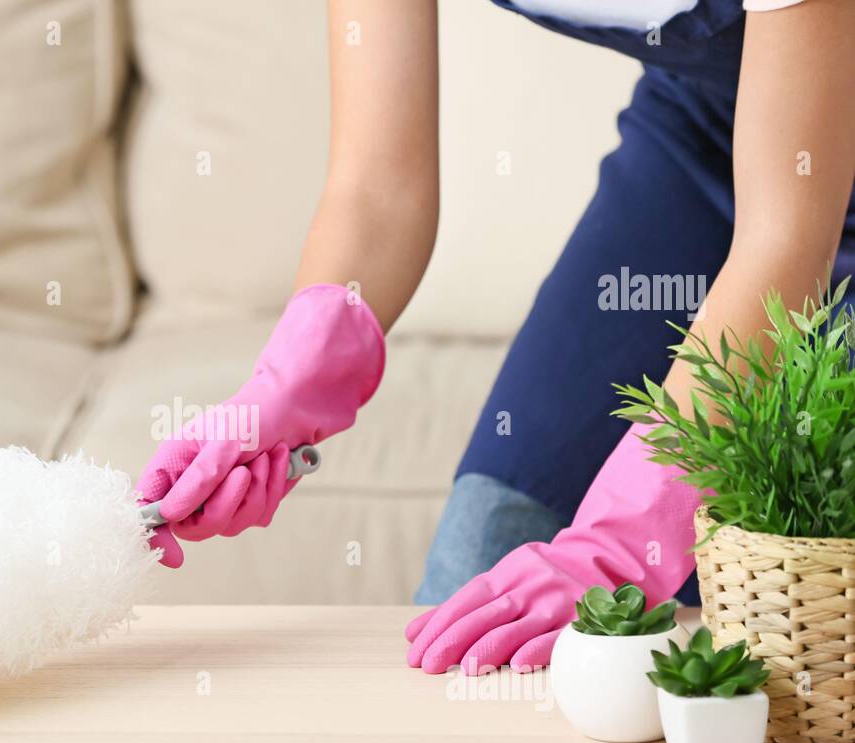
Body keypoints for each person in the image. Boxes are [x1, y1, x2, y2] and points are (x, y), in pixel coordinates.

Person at [135, 0, 855, 675]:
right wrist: (289, 387)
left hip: (798, 197)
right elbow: (378, 190)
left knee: (797, 638)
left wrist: (619, 544)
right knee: (476, 567)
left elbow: (786, 244)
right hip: (706, 134)